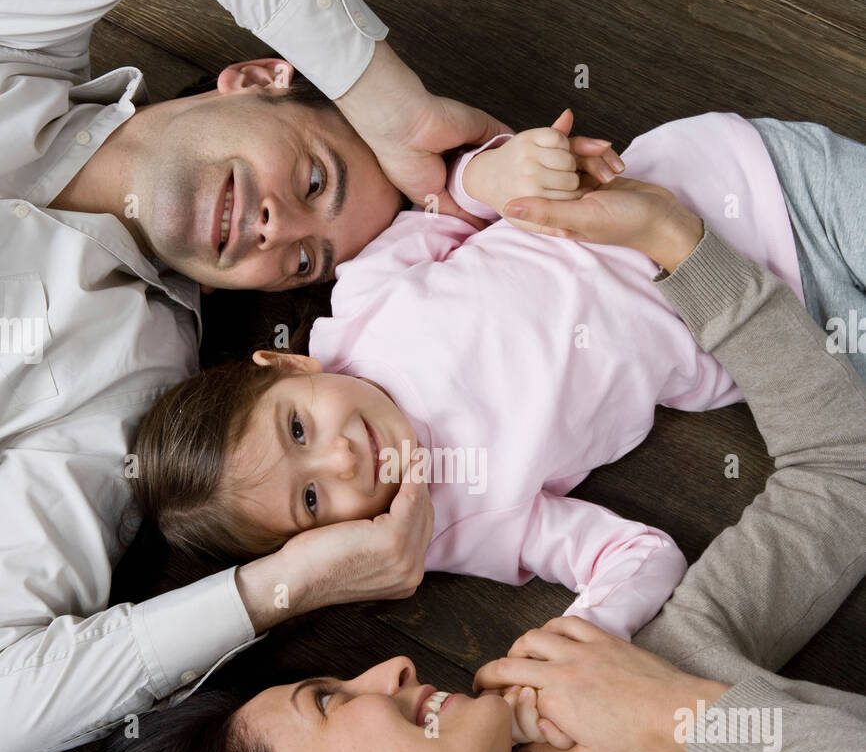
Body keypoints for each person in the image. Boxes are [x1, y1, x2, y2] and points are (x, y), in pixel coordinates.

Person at [87, 182, 866, 752]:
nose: (397, 667)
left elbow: (840, 475)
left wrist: (681, 244)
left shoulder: (603, 695)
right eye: (330, 701)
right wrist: (688, 720)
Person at [0, 0, 525, 752]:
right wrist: (389, 105)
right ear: (256, 78)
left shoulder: (123, 382)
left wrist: (282, 585)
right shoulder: (11, 59)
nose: (279, 230)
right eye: (318, 179)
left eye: (304, 263)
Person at [131, 108, 864, 642]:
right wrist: (581, 638)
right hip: (786, 342)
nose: (342, 455)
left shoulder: (363, 304)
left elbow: (447, 199)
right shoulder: (457, 525)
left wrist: (499, 170)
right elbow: (638, 556)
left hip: (737, 180)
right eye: (314, 498)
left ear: (288, 363)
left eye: (298, 427)